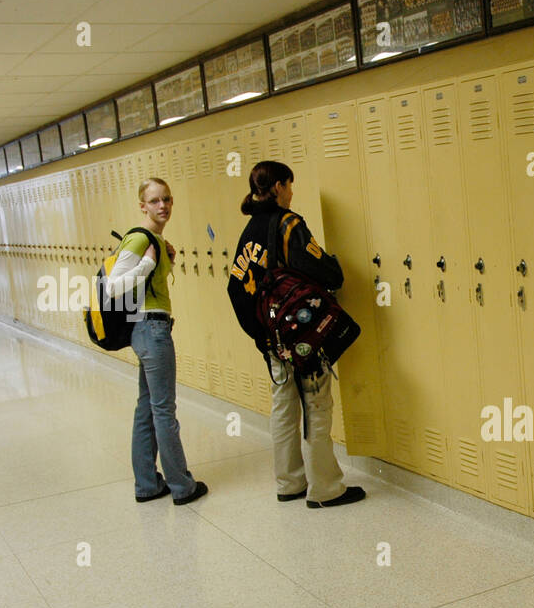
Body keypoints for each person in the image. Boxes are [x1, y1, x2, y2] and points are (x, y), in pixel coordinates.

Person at [226, 160, 365, 508]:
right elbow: (327, 272)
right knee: (317, 406)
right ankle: (326, 489)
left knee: (284, 407)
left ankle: (289, 483)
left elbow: (235, 288)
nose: (292, 192)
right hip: (302, 338)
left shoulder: (250, 230)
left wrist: (261, 337)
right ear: (277, 187)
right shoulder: (289, 225)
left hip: (272, 340)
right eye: (289, 185)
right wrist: (335, 265)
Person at [106, 177, 207, 505]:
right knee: (163, 410)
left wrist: (164, 260)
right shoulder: (140, 239)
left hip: (146, 328)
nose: (162, 206)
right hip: (152, 329)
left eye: (167, 199)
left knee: (147, 409)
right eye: (154, 201)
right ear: (142, 206)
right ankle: (182, 486)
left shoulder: (154, 239)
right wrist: (149, 263)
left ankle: (148, 484)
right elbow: (113, 287)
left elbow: (146, 285)